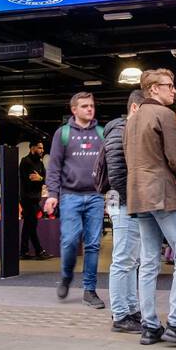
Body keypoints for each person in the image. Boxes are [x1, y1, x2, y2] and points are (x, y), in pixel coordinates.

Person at [124, 68, 176, 347]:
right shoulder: (164, 115)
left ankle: (149, 326)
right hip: (163, 195)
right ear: (153, 90)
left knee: (148, 262)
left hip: (138, 196)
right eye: (169, 86)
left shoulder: (132, 120)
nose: (173, 90)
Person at [43, 92, 106, 308]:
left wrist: (111, 191)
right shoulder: (63, 134)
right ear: (74, 109)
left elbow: (109, 164)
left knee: (93, 244)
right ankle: (66, 276)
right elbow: (54, 167)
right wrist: (52, 195)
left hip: (96, 197)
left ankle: (89, 290)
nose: (90, 109)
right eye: (85, 106)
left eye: (92, 105)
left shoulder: (101, 133)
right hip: (70, 196)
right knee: (69, 241)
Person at [102, 89, 144, 332]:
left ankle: (131, 308)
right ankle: (120, 314)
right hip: (124, 201)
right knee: (123, 258)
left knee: (132, 258)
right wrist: (132, 202)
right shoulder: (120, 132)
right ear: (135, 108)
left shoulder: (126, 131)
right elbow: (117, 174)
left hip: (125, 200)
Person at [18, 142, 50, 259]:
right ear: (32, 148)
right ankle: (39, 250)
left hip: (35, 199)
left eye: (43, 148)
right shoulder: (25, 162)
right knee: (31, 225)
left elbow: (45, 178)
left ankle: (24, 252)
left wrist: (40, 178)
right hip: (27, 198)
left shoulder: (40, 163)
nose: (42, 150)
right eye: (40, 148)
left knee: (28, 225)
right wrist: (40, 179)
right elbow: (30, 180)